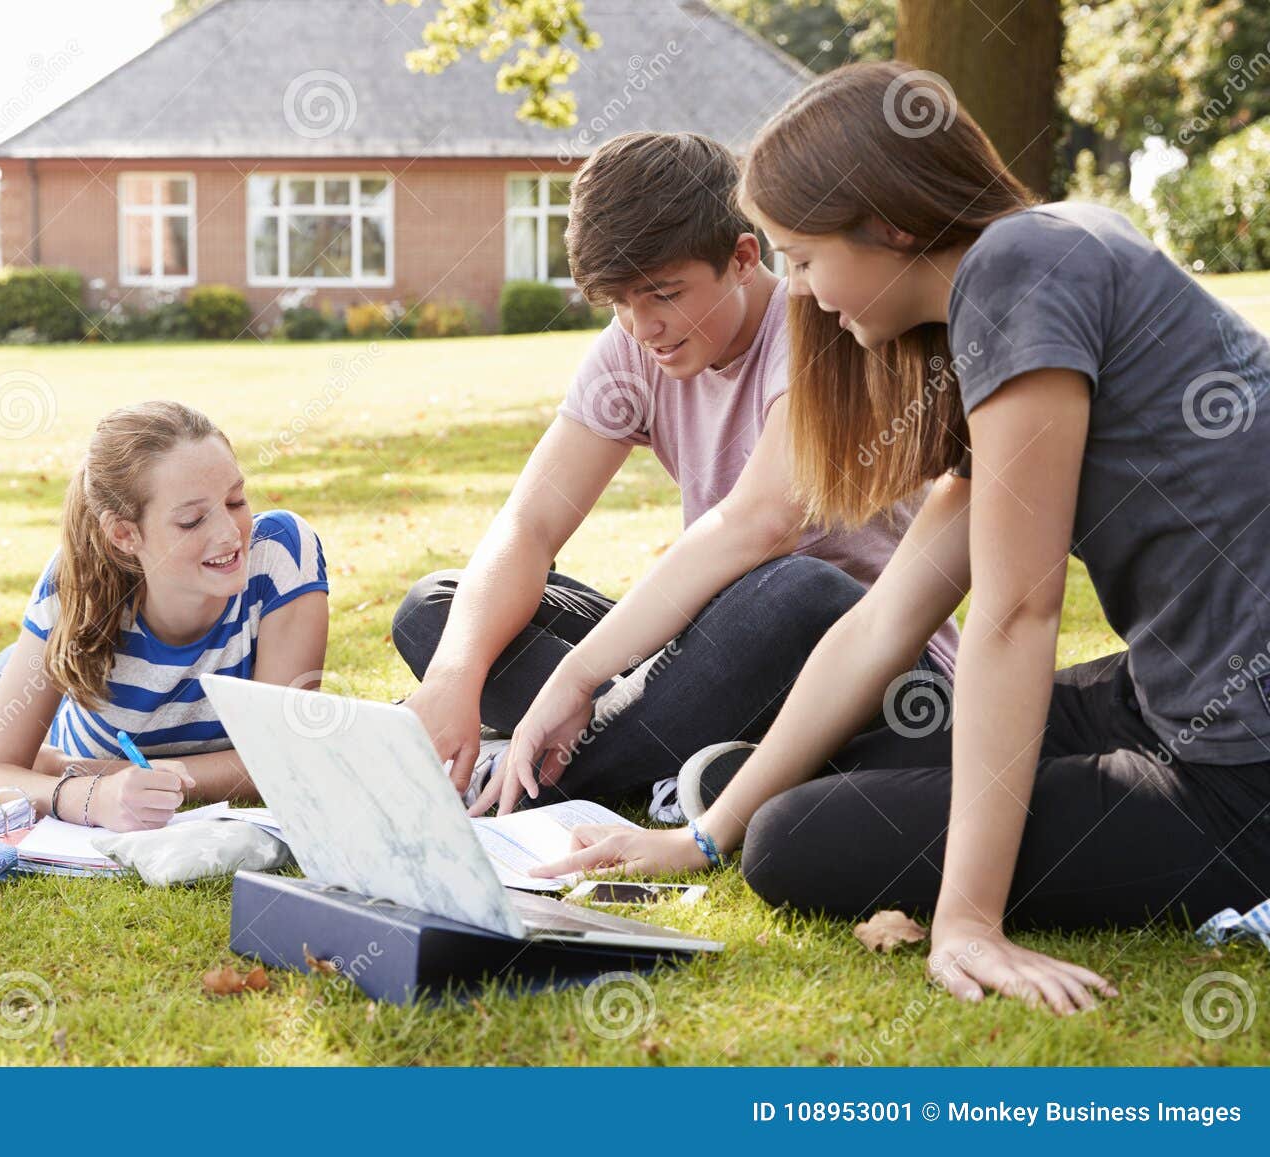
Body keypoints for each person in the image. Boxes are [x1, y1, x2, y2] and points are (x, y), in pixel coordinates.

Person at [532, 62, 1270, 1015]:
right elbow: (887, 616)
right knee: (825, 775)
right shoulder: (1034, 264)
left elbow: (1015, 611)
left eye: (802, 257)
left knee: (798, 839)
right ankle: (725, 798)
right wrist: (703, 836)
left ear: (892, 226)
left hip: (1241, 772)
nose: (799, 292)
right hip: (1172, 696)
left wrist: (968, 920)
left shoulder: (1020, 275)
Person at [391, 130, 959, 814]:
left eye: (663, 293)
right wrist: (456, 673)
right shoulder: (632, 349)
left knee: (793, 589)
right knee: (440, 611)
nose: (642, 326)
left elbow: (760, 523)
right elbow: (531, 523)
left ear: (743, 257)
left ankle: (533, 775)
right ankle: (686, 762)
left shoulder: (823, 327)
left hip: (866, 664)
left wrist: (577, 678)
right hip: (710, 656)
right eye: (619, 302)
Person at [0, 400, 330, 828]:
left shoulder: (281, 554)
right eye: (192, 519)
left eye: (236, 500)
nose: (230, 533)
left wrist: (85, 770)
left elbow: (281, 762)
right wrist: (90, 798)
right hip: (62, 686)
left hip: (77, 753)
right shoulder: (76, 588)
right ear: (125, 534)